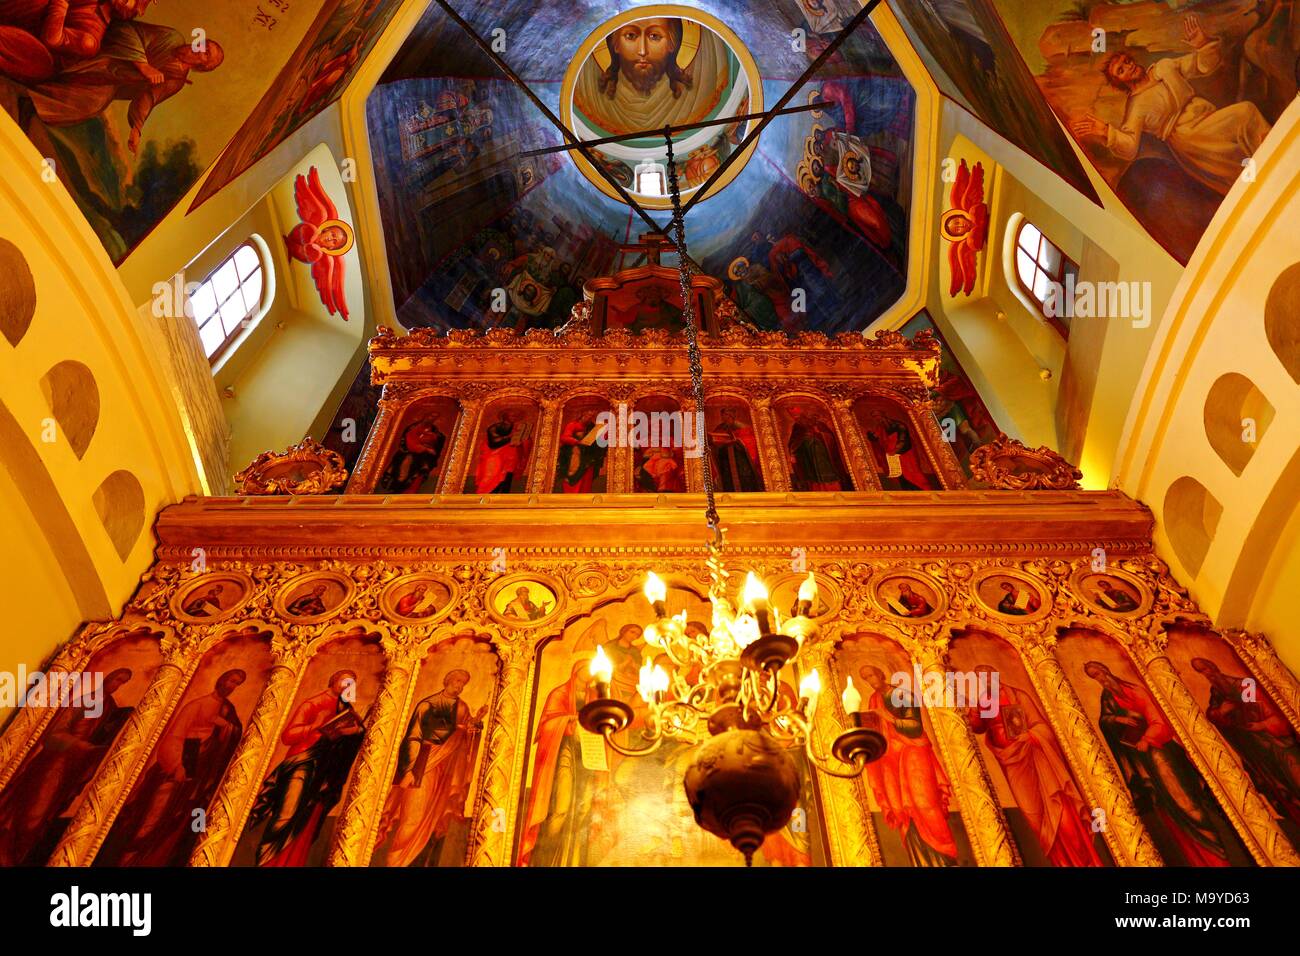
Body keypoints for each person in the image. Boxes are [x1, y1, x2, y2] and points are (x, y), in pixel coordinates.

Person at [1069, 15, 1271, 196]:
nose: (1129, 66)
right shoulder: (1137, 105)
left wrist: (1202, 45)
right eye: (1121, 70)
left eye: (1126, 61)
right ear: (1120, 82)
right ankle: (1276, 157)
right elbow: (1130, 145)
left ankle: (1274, 164)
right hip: (1190, 135)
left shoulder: (1164, 67)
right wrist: (1106, 132)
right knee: (1245, 113)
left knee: (1245, 142)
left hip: (1206, 117)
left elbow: (1202, 65)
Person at [1084, 660, 1231, 866]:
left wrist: (1147, 738)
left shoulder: (1137, 691)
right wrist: (1118, 721)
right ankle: (1195, 859)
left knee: (1185, 802)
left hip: (1161, 753)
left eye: (1100, 673)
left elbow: (1159, 720)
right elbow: (1104, 720)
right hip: (1141, 759)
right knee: (1167, 809)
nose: (1101, 679)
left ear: (1106, 669)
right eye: (1095, 677)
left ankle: (1218, 855)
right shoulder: (1108, 696)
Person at [97, 669, 245, 866]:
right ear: (221, 679)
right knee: (152, 819)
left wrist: (226, 726)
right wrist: (178, 766)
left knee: (178, 825)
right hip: (185, 758)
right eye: (231, 680)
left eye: (237, 684)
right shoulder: (197, 705)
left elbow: (232, 737)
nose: (232, 686)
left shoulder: (228, 710)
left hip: (202, 772)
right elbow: (175, 737)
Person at [965, 665, 1103, 866]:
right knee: (1035, 817)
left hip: (1037, 758)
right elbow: (977, 728)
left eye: (987, 676)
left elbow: (1042, 727)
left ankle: (1084, 861)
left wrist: (1029, 736)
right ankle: (1062, 863)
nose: (985, 681)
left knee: (1062, 814)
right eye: (980, 678)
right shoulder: (984, 703)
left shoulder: (1018, 696)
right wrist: (974, 713)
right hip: (1012, 765)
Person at [20, 20, 224, 151]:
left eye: (207, 54)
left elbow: (148, 97)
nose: (202, 49)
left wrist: (137, 127)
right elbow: (128, 30)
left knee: (95, 101)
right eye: (206, 44)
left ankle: (32, 104)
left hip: (112, 81)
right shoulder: (171, 37)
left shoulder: (177, 80)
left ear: (203, 66)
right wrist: (143, 65)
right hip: (110, 54)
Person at [0, 667, 133, 865]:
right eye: (116, 679)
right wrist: (78, 745)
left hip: (74, 769)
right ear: (107, 678)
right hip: (54, 762)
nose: (117, 685)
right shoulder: (83, 700)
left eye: (122, 683)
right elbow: (54, 732)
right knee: (34, 807)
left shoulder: (111, 709)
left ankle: (18, 855)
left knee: (46, 814)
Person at [248, 669, 366, 867]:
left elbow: (355, 734)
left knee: (310, 816)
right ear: (333, 681)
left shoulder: (346, 709)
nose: (348, 687)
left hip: (325, 770)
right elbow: (288, 735)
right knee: (287, 814)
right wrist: (315, 727)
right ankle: (267, 862)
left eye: (351, 684)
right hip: (303, 763)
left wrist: (356, 731)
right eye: (345, 682)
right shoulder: (314, 703)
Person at [377, 670, 486, 867]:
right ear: (447, 681)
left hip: (448, 770)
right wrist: (408, 769)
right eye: (457, 681)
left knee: (435, 819)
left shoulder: (462, 707)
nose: (460, 686)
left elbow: (466, 733)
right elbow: (412, 737)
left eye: (463, 683)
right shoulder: (428, 705)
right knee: (413, 817)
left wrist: (475, 726)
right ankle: (396, 862)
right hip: (423, 763)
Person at [857, 664, 959, 866]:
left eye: (871, 674)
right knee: (902, 810)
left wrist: (889, 719)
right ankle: (920, 861)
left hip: (914, 753)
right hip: (890, 758)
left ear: (881, 672)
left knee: (925, 804)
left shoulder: (902, 694)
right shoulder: (874, 700)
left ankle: (945, 858)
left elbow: (915, 727)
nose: (870, 680)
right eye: (866, 678)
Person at [1191, 657, 1300, 828]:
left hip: (1278, 744)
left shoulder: (1244, 685)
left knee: (1296, 777)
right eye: (1201, 672)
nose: (1207, 674)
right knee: (1278, 788)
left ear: (1214, 666)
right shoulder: (1217, 693)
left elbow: (1258, 708)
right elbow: (1212, 713)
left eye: (1206, 669)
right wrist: (1220, 711)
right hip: (1256, 751)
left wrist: (1261, 724)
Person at [573, 16, 728, 137]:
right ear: (615, 44)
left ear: (672, 44)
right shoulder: (595, 101)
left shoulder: (695, 98)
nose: (642, 51)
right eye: (631, 35)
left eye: (654, 36)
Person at [379, 418, 446, 493]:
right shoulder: (413, 430)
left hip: (421, 458)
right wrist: (423, 448)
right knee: (403, 470)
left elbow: (434, 446)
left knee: (417, 474)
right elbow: (409, 442)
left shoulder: (435, 433)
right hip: (409, 454)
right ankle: (394, 486)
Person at [787, 406, 846, 491]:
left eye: (796, 414)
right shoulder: (797, 426)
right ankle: (817, 488)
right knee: (812, 471)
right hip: (806, 452)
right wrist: (792, 453)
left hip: (818, 449)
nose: (795, 417)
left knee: (824, 467)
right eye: (793, 415)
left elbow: (827, 435)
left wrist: (819, 433)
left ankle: (832, 487)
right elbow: (793, 440)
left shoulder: (816, 424)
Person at [471, 409, 531, 494]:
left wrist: (523, 440)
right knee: (493, 476)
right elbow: (493, 442)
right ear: (505, 416)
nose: (514, 417)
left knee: (507, 476)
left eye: (515, 416)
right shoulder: (494, 427)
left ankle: (503, 496)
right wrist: (510, 437)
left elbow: (525, 440)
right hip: (496, 455)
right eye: (512, 415)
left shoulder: (518, 427)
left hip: (511, 457)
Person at [710, 406, 763, 492]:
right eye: (723, 415)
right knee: (728, 479)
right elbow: (715, 439)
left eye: (726, 415)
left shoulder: (740, 426)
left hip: (741, 459)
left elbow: (750, 441)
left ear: (731, 415)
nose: (724, 417)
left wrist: (736, 441)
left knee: (744, 478)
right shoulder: (721, 427)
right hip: (726, 459)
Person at [555, 413, 607, 493]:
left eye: (591, 416)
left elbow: (598, 440)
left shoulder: (591, 427)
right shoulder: (573, 425)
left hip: (587, 457)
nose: (589, 418)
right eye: (587, 415)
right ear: (581, 416)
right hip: (575, 455)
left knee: (586, 478)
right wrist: (577, 442)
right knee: (573, 476)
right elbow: (564, 438)